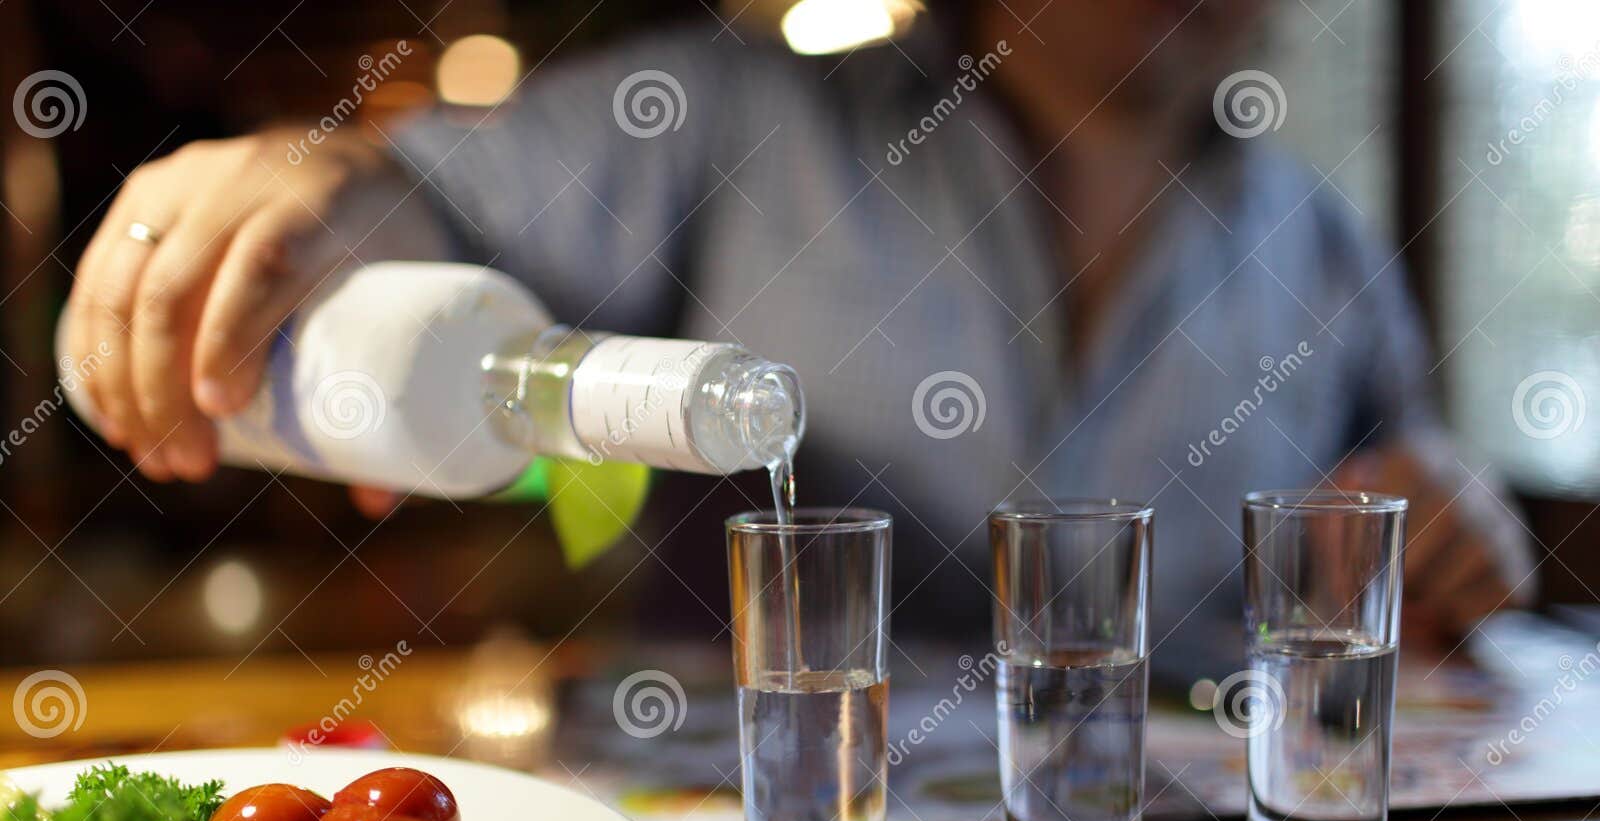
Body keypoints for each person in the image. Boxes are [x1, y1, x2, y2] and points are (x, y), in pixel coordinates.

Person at [59, 0, 1530, 682]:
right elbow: (430, 198)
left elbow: (1409, 489)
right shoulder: (736, 114)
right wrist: (309, 182)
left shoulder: (1321, 239)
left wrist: (1459, 526)